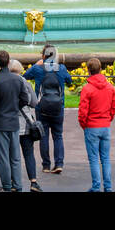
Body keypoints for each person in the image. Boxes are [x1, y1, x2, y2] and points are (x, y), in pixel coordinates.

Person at [0, 48, 31, 192]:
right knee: (15, 157)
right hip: (13, 122)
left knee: (3, 157)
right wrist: (14, 107)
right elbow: (25, 98)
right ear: (8, 62)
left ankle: (6, 185)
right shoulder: (18, 79)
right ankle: (17, 185)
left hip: (0, 123)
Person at [24, 43, 72, 173]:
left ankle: (46, 165)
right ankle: (59, 164)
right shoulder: (61, 68)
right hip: (58, 107)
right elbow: (70, 81)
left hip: (42, 107)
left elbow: (24, 76)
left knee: (43, 135)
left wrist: (36, 64)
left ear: (43, 56)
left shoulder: (38, 69)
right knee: (58, 135)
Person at [78, 57, 115, 193]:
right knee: (105, 158)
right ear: (100, 68)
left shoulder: (87, 88)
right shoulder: (110, 87)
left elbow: (83, 111)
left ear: (88, 70)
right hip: (105, 125)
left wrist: (84, 125)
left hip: (91, 126)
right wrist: (108, 119)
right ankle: (108, 186)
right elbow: (114, 108)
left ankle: (96, 187)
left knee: (94, 159)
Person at [10, 59, 43, 193]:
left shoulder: (6, 82)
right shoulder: (26, 83)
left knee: (12, 155)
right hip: (26, 123)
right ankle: (33, 182)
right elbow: (34, 103)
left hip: (11, 123)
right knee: (29, 154)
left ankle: (13, 182)